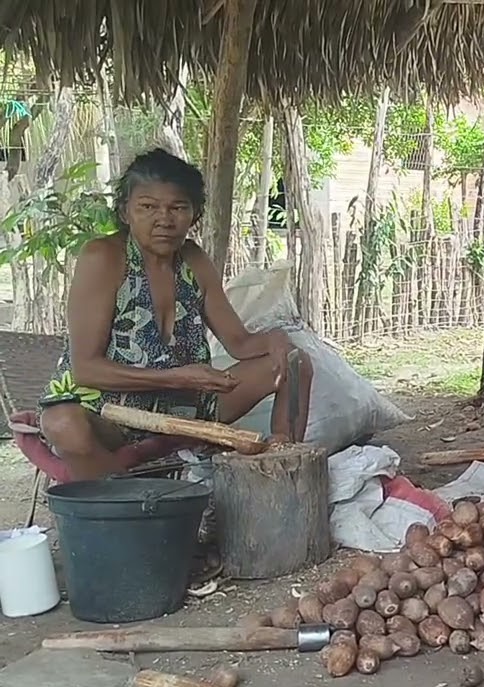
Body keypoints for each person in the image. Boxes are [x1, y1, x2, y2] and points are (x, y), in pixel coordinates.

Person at [38, 148, 314, 482]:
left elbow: (240, 343)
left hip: (185, 405)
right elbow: (86, 369)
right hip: (109, 412)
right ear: (126, 211)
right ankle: (126, 502)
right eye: (148, 207)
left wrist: (274, 339)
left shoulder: (194, 260)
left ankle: (282, 463)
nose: (164, 219)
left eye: (178, 208)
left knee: (295, 363)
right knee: (62, 424)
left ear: (194, 214)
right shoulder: (104, 257)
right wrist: (180, 377)